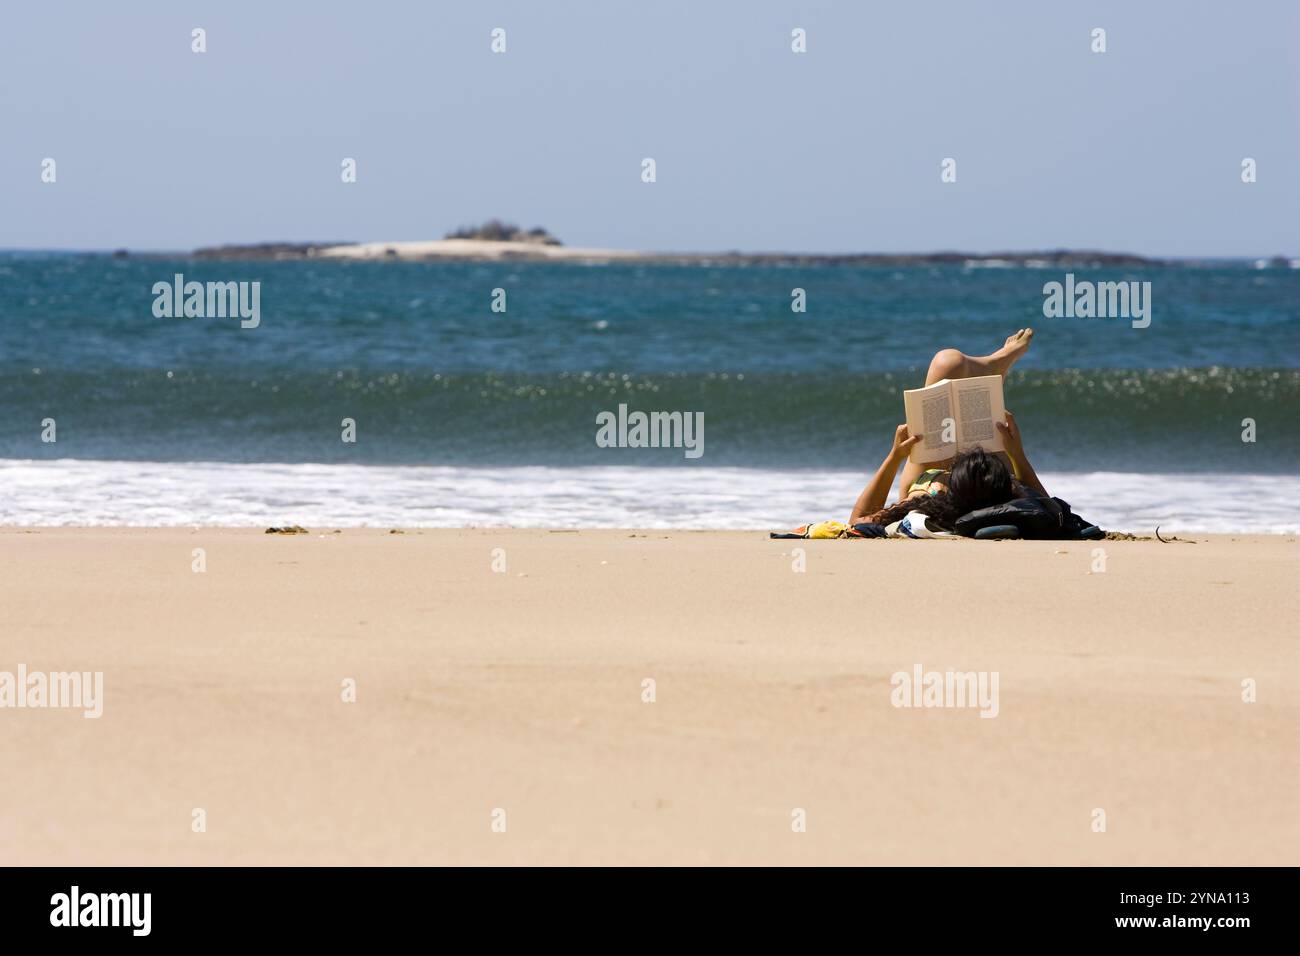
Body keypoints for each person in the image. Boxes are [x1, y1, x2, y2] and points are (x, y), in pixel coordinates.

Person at [849, 330, 1048, 528]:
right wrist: (1017, 454)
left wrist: (894, 457)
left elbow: (856, 523)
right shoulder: (1004, 500)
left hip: (947, 485)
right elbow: (1052, 512)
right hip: (982, 487)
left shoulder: (926, 501)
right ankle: (994, 370)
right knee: (950, 363)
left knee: (948, 361)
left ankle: (994, 369)